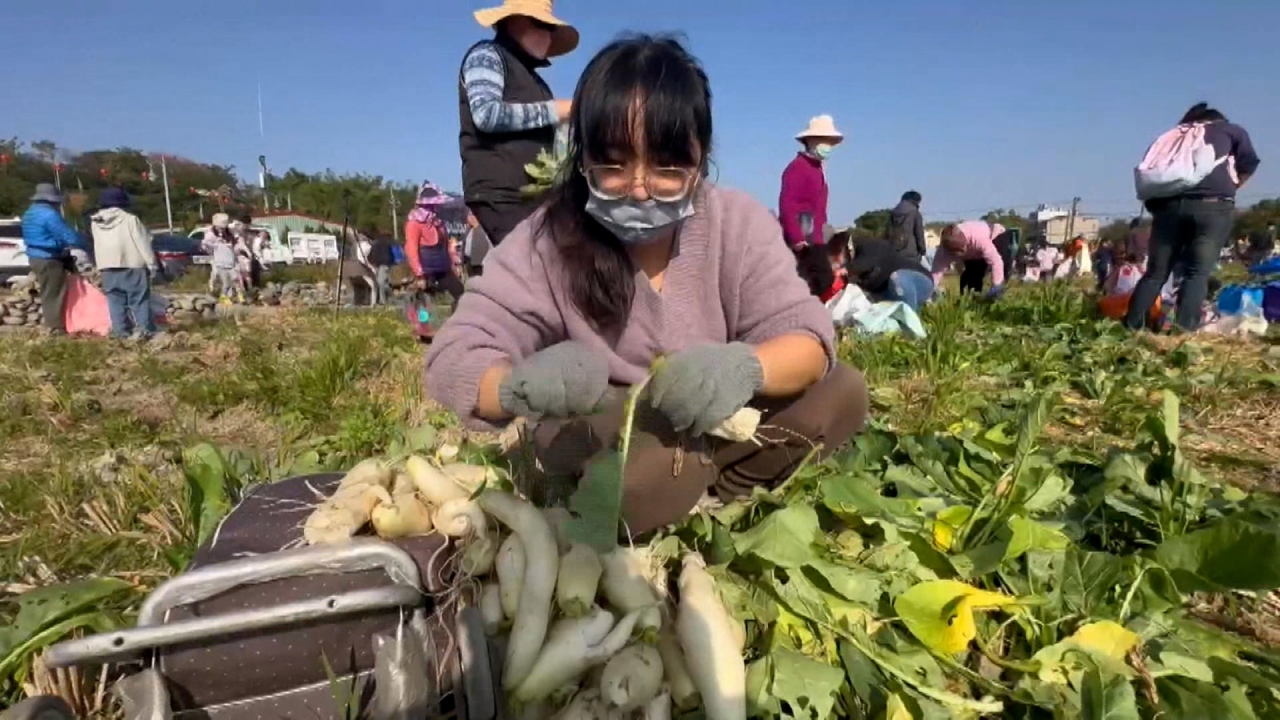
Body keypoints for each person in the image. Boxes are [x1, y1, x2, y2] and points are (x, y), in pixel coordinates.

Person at [425, 35, 869, 535]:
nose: (639, 186)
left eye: (666, 167)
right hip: (607, 430)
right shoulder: (548, 238)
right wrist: (512, 387)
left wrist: (747, 367)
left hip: (712, 415)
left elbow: (807, 336)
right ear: (582, 156)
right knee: (642, 480)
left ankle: (704, 494)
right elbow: (453, 356)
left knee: (843, 392)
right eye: (613, 164)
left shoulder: (735, 222)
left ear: (701, 159)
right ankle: (676, 490)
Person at [1125, 102, 1261, 332]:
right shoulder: (1230, 130)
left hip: (1168, 210)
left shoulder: (1171, 136)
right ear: (1218, 118)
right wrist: (1231, 187)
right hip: (1212, 209)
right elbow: (1249, 163)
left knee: (1155, 273)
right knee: (1196, 273)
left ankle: (1131, 325)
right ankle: (1183, 331)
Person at [459, 0, 576, 248]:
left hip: (534, 196)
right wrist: (558, 109)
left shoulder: (536, 82)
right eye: (542, 24)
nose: (549, 35)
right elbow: (486, 114)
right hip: (501, 194)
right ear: (515, 22)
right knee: (532, 267)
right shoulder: (487, 55)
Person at [779, 114, 842, 297]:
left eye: (829, 141)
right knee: (817, 280)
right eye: (823, 140)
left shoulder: (818, 170)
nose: (827, 145)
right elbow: (787, 204)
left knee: (820, 280)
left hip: (816, 238)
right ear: (810, 141)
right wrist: (797, 238)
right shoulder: (798, 167)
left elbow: (820, 210)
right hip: (803, 239)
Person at [90, 187, 159, 339]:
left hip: (107, 266)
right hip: (132, 263)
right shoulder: (130, 219)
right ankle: (144, 330)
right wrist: (151, 263)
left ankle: (120, 332)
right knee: (138, 300)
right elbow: (142, 242)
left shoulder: (95, 222)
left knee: (115, 301)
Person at [21, 183, 85, 334]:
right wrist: (83, 243)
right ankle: (56, 327)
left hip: (35, 256)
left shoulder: (30, 212)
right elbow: (67, 235)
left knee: (47, 291)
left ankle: (52, 324)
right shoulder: (50, 215)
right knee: (55, 293)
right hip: (49, 257)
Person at [405, 182, 465, 307]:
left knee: (461, 295)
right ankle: (423, 325)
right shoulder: (414, 223)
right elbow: (411, 249)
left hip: (443, 268)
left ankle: (455, 324)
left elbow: (447, 246)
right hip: (426, 270)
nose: (437, 208)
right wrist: (419, 274)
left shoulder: (438, 223)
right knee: (424, 305)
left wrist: (454, 263)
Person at [845, 237, 936, 312]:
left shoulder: (870, 246)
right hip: (890, 292)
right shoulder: (856, 271)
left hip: (920, 280)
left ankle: (912, 318)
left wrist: (843, 271)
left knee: (896, 278)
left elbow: (865, 263)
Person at [932, 220, 1011, 297]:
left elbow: (996, 261)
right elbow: (936, 272)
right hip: (973, 253)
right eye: (958, 252)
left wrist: (996, 285)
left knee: (1001, 272)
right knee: (973, 281)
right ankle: (975, 301)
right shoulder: (943, 252)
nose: (962, 252)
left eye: (963, 248)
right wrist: (931, 290)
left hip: (996, 236)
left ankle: (1002, 293)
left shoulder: (978, 238)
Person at [202, 214, 240, 300]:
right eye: (220, 227)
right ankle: (214, 293)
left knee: (232, 279)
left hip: (229, 259)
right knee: (218, 278)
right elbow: (205, 246)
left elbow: (235, 241)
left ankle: (228, 297)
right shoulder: (210, 234)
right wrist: (214, 247)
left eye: (223, 228)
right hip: (217, 259)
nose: (222, 230)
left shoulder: (229, 233)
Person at [888, 190, 927, 263]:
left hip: (894, 250)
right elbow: (919, 234)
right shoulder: (915, 213)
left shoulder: (893, 213)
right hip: (911, 251)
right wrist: (923, 251)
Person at [461, 211, 492, 276]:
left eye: (471, 215)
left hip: (480, 262)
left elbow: (486, 242)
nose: (468, 218)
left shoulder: (484, 227)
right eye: (468, 215)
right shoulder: (469, 228)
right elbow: (464, 243)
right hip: (469, 261)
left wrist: (477, 226)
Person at [368, 233, 396, 304]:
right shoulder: (387, 244)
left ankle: (379, 299)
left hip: (376, 264)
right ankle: (384, 300)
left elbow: (370, 255)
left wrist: (371, 262)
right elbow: (390, 256)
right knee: (382, 283)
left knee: (378, 282)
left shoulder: (375, 244)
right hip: (385, 264)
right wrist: (391, 263)